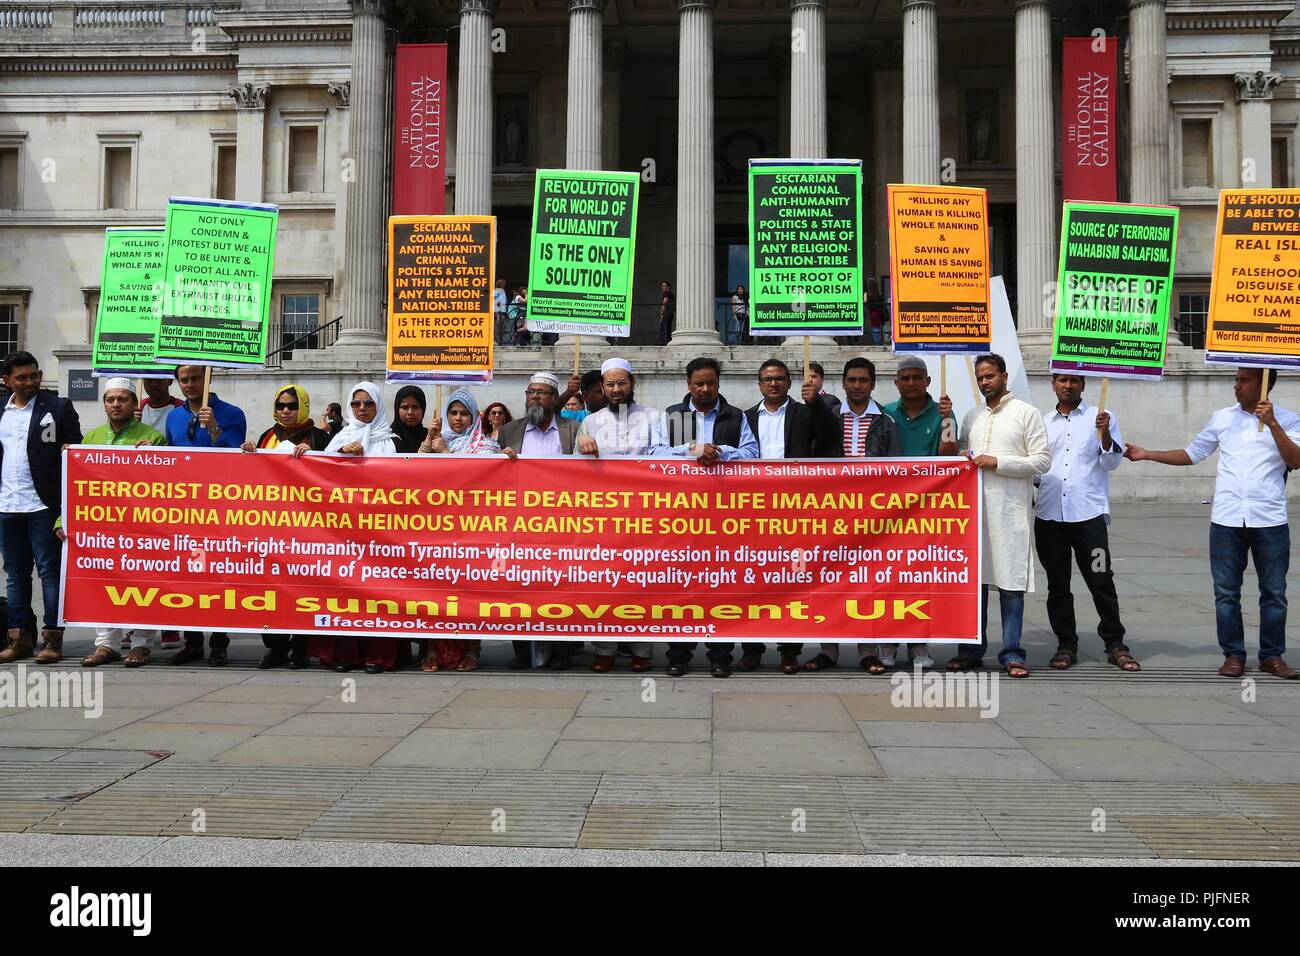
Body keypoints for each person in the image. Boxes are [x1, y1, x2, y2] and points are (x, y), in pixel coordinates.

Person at [1125, 367, 1300, 680]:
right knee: (1226, 592)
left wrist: (1272, 424)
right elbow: (1193, 454)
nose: (1236, 386)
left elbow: (1295, 460)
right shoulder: (1223, 418)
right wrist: (1147, 454)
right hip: (1227, 519)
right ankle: (1233, 654)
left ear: (1264, 385)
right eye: (1235, 379)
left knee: (1274, 591)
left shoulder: (1289, 420)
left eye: (1244, 380)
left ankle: (1272, 655)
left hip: (1269, 519)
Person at [948, 353, 1051, 678]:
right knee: (974, 584)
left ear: (1005, 377)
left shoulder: (1026, 413)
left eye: (990, 376)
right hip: (975, 513)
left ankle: (1012, 652)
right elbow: (962, 456)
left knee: (1010, 583)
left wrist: (999, 463)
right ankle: (971, 650)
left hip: (1010, 513)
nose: (985, 382)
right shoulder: (972, 416)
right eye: (980, 378)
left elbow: (1042, 461)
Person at [799, 356, 902, 673]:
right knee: (828, 582)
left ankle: (866, 650)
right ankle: (828, 649)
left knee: (865, 583)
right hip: (830, 514)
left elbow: (896, 470)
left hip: (871, 517)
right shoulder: (825, 415)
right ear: (843, 383)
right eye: (852, 380)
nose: (857, 386)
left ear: (873, 384)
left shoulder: (886, 422)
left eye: (863, 380)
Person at [660, 358, 759, 678]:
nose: (705, 389)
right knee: (680, 586)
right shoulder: (676, 415)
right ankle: (679, 654)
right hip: (681, 514)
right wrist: (692, 449)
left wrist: (720, 452)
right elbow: (654, 453)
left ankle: (721, 656)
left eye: (711, 384)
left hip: (723, 516)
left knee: (722, 587)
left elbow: (752, 454)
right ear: (688, 384)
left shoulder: (735, 415)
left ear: (718, 384)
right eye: (699, 384)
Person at [738, 358, 834, 675]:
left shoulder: (805, 412)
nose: (774, 384)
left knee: (792, 581)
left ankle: (789, 649)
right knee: (753, 582)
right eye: (768, 379)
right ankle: (752, 649)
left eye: (780, 378)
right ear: (759, 384)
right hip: (755, 510)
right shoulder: (746, 417)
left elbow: (831, 438)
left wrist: (816, 403)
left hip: (795, 509)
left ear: (789, 382)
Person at [1035, 374, 1137, 673]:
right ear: (1053, 384)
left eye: (1075, 381)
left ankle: (1115, 643)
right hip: (1050, 517)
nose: (1068, 386)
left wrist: (1104, 435)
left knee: (1101, 579)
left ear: (1084, 385)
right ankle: (1066, 644)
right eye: (1063, 380)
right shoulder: (1042, 423)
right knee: (1058, 585)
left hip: (1088, 519)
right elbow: (1037, 467)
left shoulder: (1101, 417)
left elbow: (1111, 463)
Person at [575, 358, 665, 672]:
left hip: (644, 514)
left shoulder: (655, 417)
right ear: (602, 387)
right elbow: (573, 470)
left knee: (641, 583)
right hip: (604, 516)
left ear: (633, 383)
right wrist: (581, 443)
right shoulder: (591, 422)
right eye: (610, 385)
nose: (616, 390)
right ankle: (604, 649)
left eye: (621, 383)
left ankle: (642, 650)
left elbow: (665, 457)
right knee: (604, 583)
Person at [312, 382, 405, 674]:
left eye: (368, 403)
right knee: (345, 594)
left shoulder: (394, 442)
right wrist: (341, 454)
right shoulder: (338, 438)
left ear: (379, 406)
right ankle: (344, 654)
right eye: (356, 404)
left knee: (380, 594)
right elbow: (319, 477)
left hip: (382, 531)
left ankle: (379, 656)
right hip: (344, 532)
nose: (362, 409)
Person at [240, 384, 331, 669]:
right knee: (272, 590)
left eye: (292, 405)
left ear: (303, 406)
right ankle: (275, 647)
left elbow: (332, 475)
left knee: (304, 590)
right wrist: (251, 454)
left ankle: (300, 648)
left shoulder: (320, 437)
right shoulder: (268, 436)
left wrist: (316, 456)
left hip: (307, 530)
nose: (286, 411)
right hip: (273, 529)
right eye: (281, 406)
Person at [877, 355, 958, 670]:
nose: (911, 383)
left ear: (928, 381)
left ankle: (918, 643)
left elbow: (948, 456)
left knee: (918, 579)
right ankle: (887, 640)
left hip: (926, 510)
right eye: (905, 378)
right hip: (890, 511)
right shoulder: (885, 413)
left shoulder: (944, 415)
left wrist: (949, 421)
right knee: (887, 579)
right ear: (896, 383)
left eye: (917, 378)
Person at [77, 379, 165, 667]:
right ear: (104, 403)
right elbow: (76, 483)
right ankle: (106, 645)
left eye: (122, 399)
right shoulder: (91, 439)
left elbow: (170, 484)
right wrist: (62, 519)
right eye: (110, 399)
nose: (116, 404)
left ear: (133, 403)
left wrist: (154, 457)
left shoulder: (153, 436)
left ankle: (140, 644)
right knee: (103, 583)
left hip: (140, 527)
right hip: (101, 528)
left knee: (142, 584)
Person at [163, 365, 246, 666]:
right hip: (185, 511)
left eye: (196, 378)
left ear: (207, 379)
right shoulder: (174, 417)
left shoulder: (232, 413)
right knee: (188, 577)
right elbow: (170, 459)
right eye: (184, 380)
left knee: (220, 577)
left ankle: (219, 642)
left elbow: (238, 455)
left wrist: (214, 429)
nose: (190, 384)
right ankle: (192, 641)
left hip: (220, 510)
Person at [499, 372, 583, 670]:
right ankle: (522, 651)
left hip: (562, 526)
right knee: (520, 589)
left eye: (542, 393)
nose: (534, 397)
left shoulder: (572, 429)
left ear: (553, 398)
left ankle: (560, 652)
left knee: (559, 588)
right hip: (521, 526)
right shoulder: (510, 431)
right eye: (531, 392)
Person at [419, 387, 503, 672]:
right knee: (433, 592)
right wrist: (430, 442)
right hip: (436, 530)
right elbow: (410, 471)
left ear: (473, 416)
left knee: (468, 593)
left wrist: (447, 453)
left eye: (464, 413)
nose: (458, 419)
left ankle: (472, 650)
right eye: (452, 413)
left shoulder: (486, 446)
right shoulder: (436, 439)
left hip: (472, 531)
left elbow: (479, 478)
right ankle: (432, 650)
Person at [391, 385, 428, 454]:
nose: (410, 412)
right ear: (397, 409)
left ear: (423, 409)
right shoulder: (387, 438)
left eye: (415, 407)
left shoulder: (431, 438)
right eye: (405, 407)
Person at [659, 280, 676, 345]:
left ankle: (664, 342)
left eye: (664, 286)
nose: (662, 287)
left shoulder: (667, 293)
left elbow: (664, 303)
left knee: (664, 328)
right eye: (662, 286)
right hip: (670, 314)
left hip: (667, 314)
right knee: (667, 328)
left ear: (668, 287)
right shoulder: (670, 294)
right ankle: (667, 341)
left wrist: (661, 314)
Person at [494, 278, 510, 345]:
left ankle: (499, 340)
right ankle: (495, 340)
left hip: (503, 311)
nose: (504, 285)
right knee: (497, 327)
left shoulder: (502, 291)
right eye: (503, 284)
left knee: (503, 327)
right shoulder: (496, 291)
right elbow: (494, 300)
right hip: (498, 311)